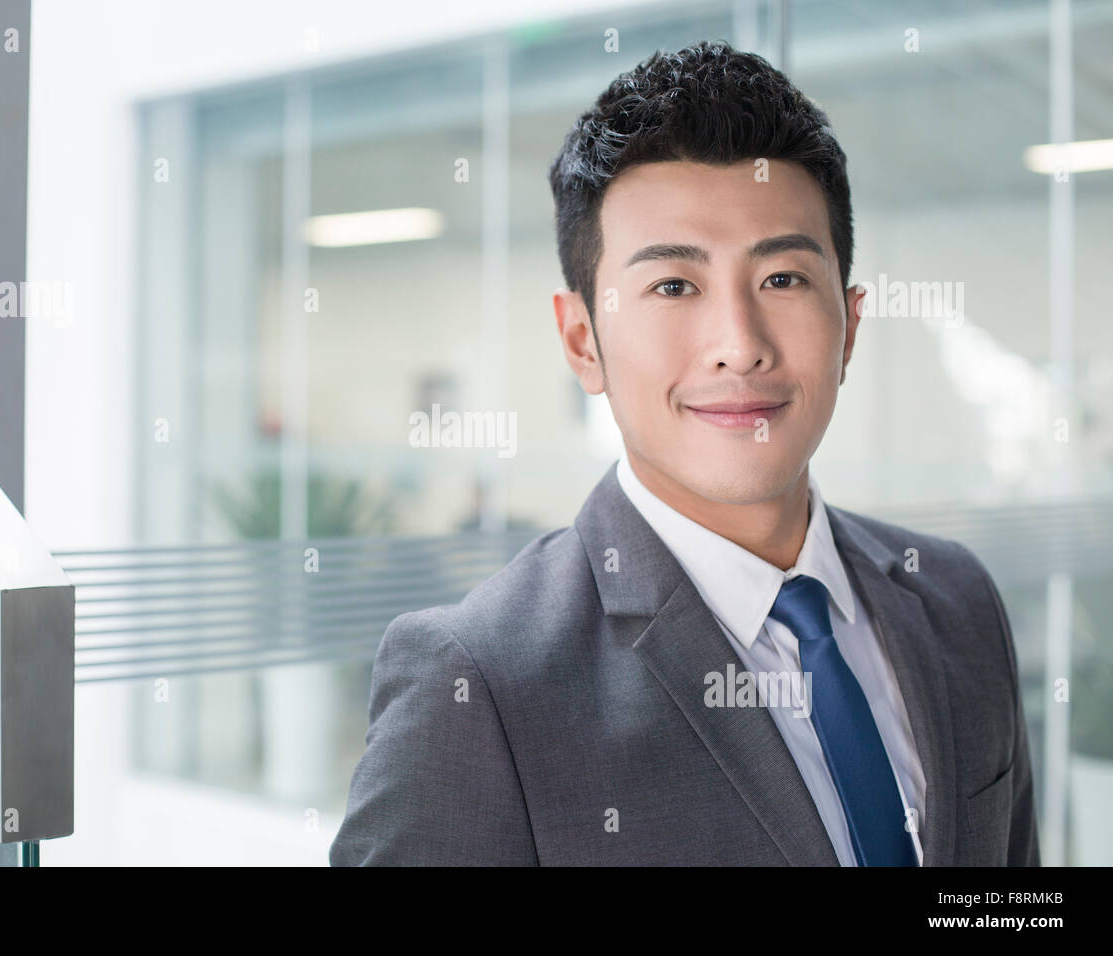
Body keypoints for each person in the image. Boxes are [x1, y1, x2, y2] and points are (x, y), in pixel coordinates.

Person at [329, 40, 1040, 866]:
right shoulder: (480, 684)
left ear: (849, 325)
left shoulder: (954, 601)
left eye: (782, 279)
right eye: (673, 286)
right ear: (581, 339)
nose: (739, 346)